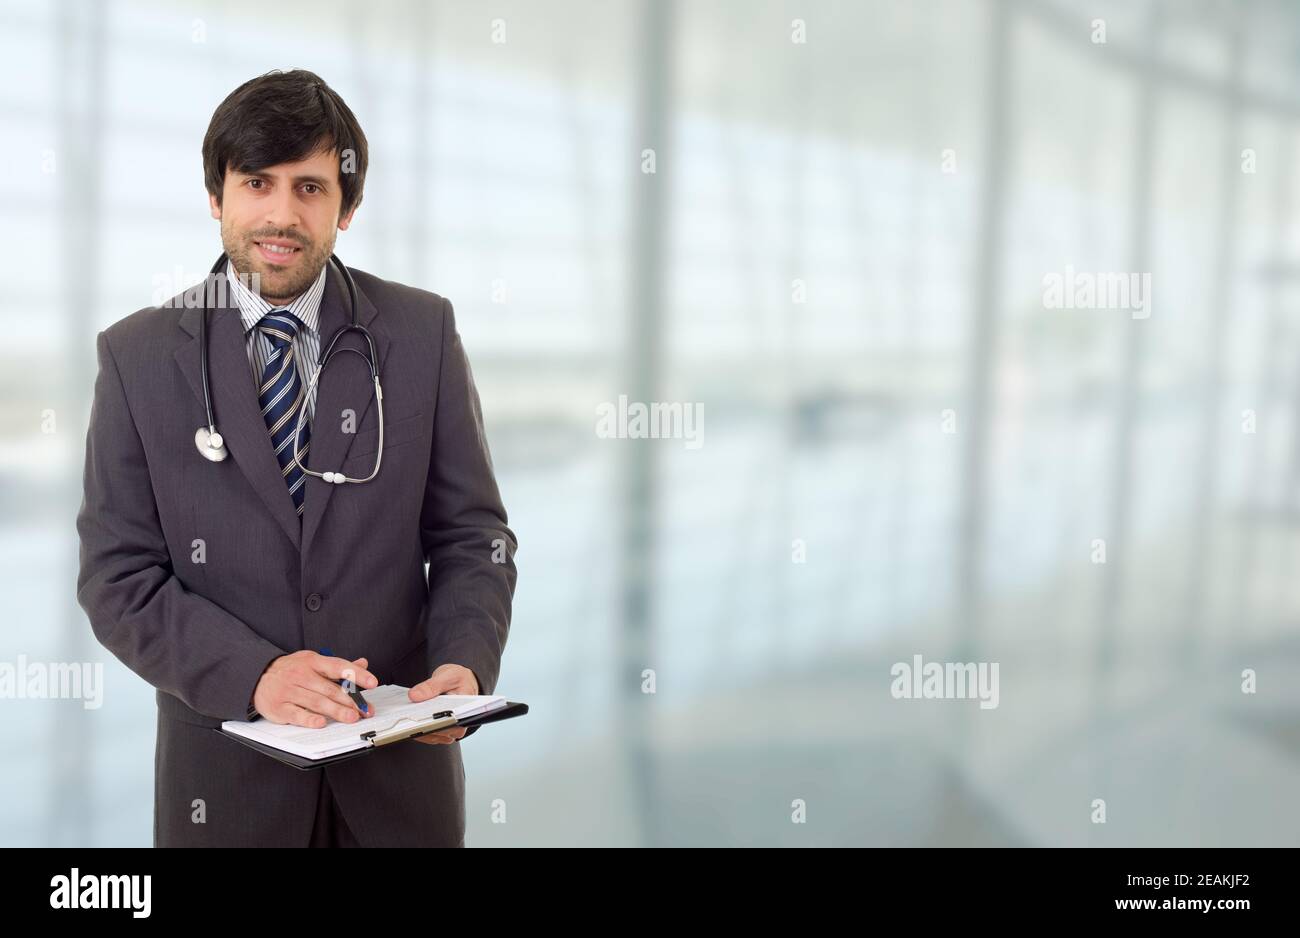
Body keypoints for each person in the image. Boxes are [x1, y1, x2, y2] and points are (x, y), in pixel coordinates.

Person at [75, 69, 518, 847]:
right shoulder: (138, 358)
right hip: (225, 789)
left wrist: (465, 662)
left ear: (346, 207)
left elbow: (471, 538)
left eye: (311, 188)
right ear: (217, 197)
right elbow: (117, 579)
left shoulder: (420, 336)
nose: (281, 215)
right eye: (257, 183)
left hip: (398, 784)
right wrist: (254, 676)